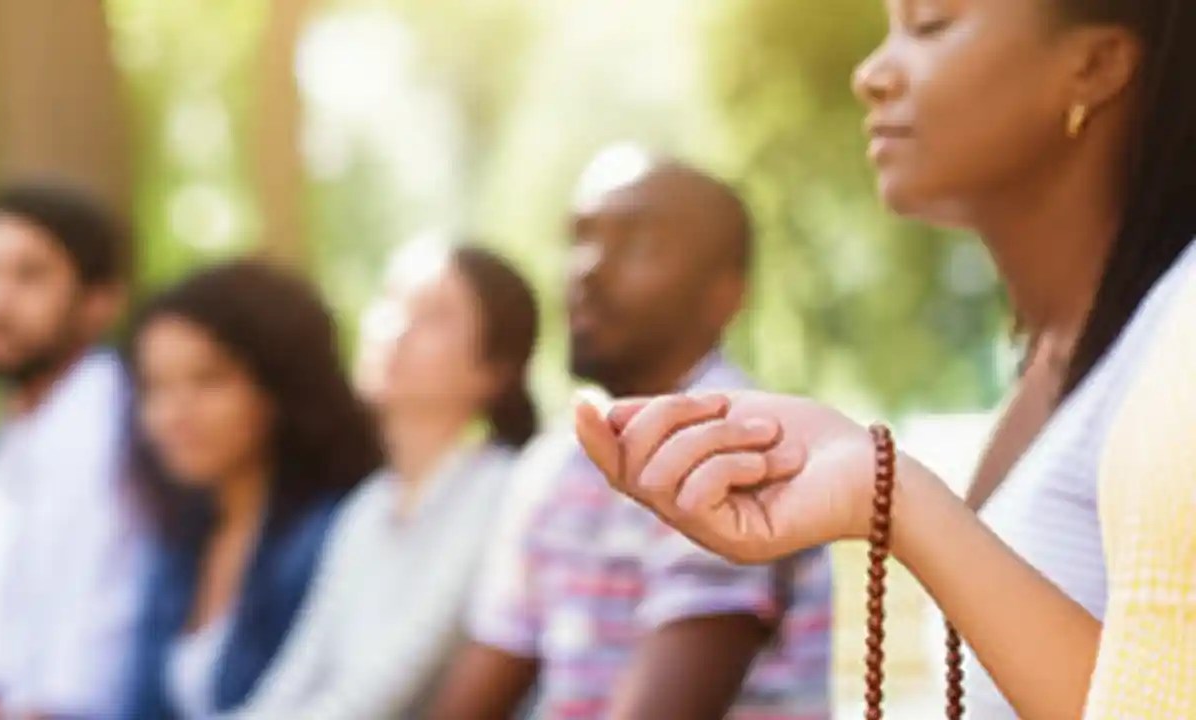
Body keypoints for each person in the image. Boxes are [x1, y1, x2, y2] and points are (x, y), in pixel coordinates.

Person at [574, 0, 1196, 718]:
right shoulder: (1053, 357)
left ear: (1095, 66)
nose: (871, 75)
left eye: (930, 25)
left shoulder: (1172, 355)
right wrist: (882, 486)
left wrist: (891, 494)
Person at [430, 148, 833, 720]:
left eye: (638, 244)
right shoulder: (551, 466)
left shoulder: (738, 446)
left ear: (724, 296)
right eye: (581, 237)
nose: (588, 267)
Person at [233, 241, 540, 719]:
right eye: (391, 301)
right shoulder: (366, 507)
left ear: (493, 371)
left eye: (434, 316)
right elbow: (299, 675)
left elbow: (390, 688)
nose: (395, 328)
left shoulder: (501, 491)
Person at [120, 261, 383, 720]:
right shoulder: (181, 540)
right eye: (155, 387)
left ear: (277, 387)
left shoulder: (332, 535)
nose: (174, 414)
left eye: (208, 380)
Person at [0, 183, 145, 720]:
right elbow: (15, 670)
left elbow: (84, 687)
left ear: (100, 301)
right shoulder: (19, 433)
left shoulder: (119, 426)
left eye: (28, 275)